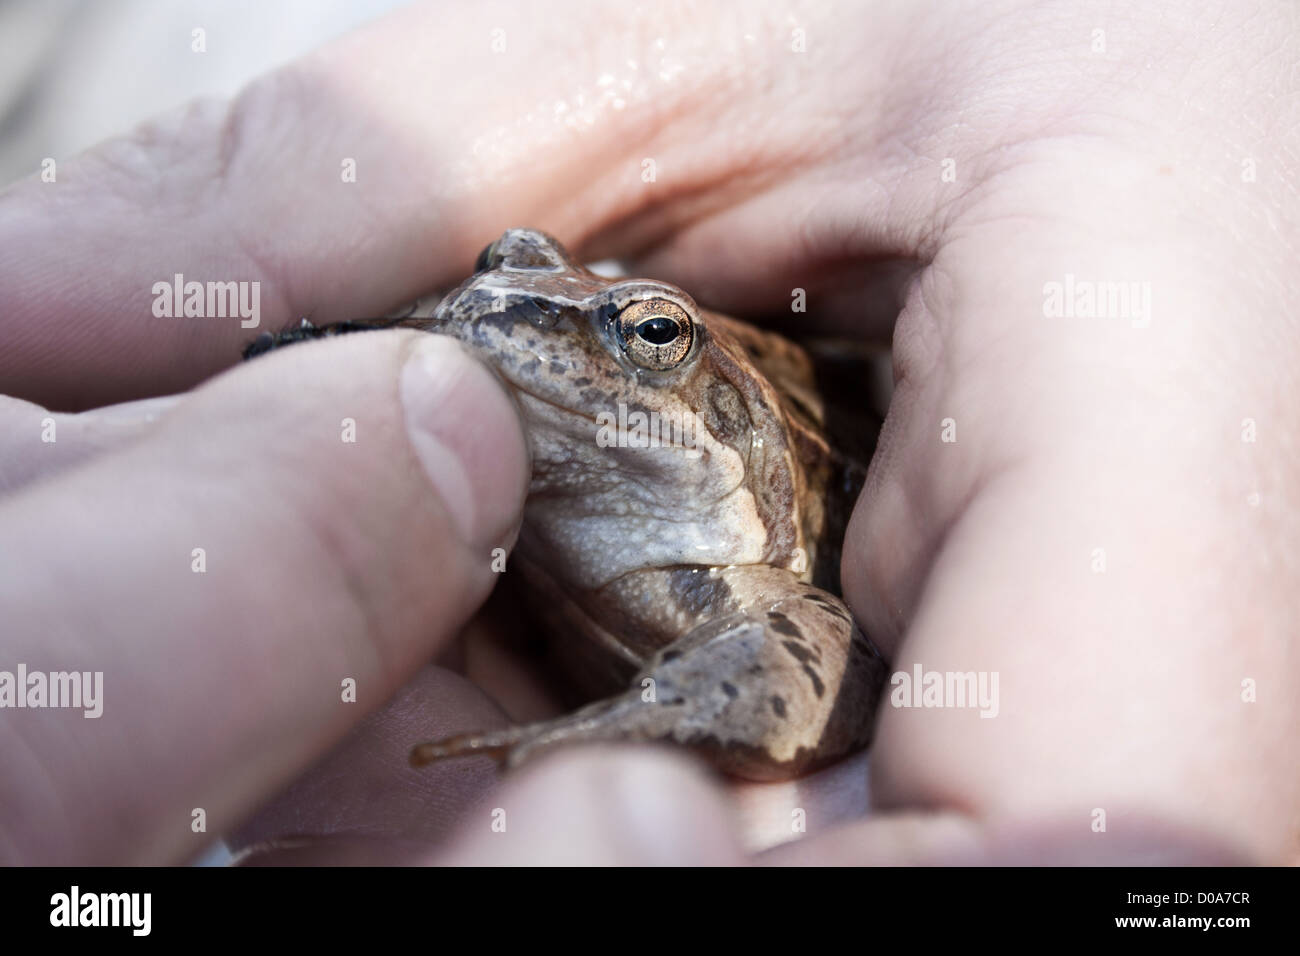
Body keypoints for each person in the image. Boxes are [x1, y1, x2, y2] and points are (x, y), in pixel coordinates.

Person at [0, 0, 1295, 865]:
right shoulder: (501, 345)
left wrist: (611, 729)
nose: (509, 311)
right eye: (508, 276)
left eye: (648, 339)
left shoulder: (740, 576)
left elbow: (823, 671)